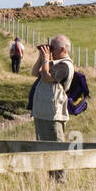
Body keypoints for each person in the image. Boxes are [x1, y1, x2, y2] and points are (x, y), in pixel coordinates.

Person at [30, 33, 75, 181]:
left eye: (52, 48)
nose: (50, 50)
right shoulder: (52, 62)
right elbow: (35, 72)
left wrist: (46, 59)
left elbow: (47, 77)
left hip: (54, 115)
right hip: (43, 113)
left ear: (62, 49)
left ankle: (60, 181)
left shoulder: (65, 65)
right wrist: (41, 57)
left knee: (57, 147)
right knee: (44, 149)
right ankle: (51, 180)